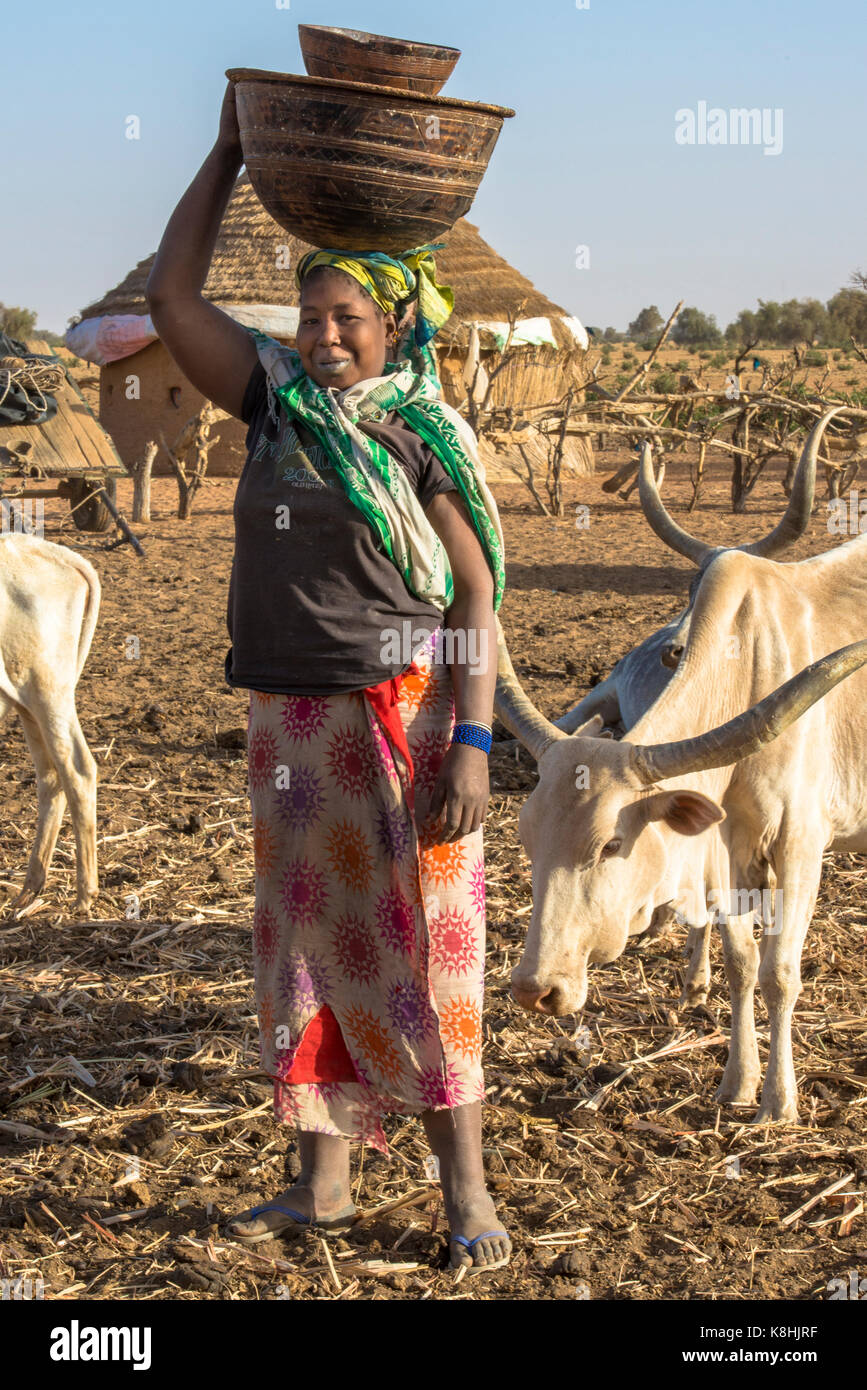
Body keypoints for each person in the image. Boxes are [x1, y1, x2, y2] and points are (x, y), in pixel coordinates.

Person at [146, 82, 510, 1275]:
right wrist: (222, 156)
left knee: (432, 956)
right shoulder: (273, 406)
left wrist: (472, 743)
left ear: (397, 326)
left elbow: (472, 593)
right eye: (310, 315)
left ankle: (469, 1201)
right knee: (303, 947)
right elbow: (170, 299)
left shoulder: (419, 433)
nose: (325, 335)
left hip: (398, 718)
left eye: (347, 316)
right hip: (289, 721)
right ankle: (324, 1189)